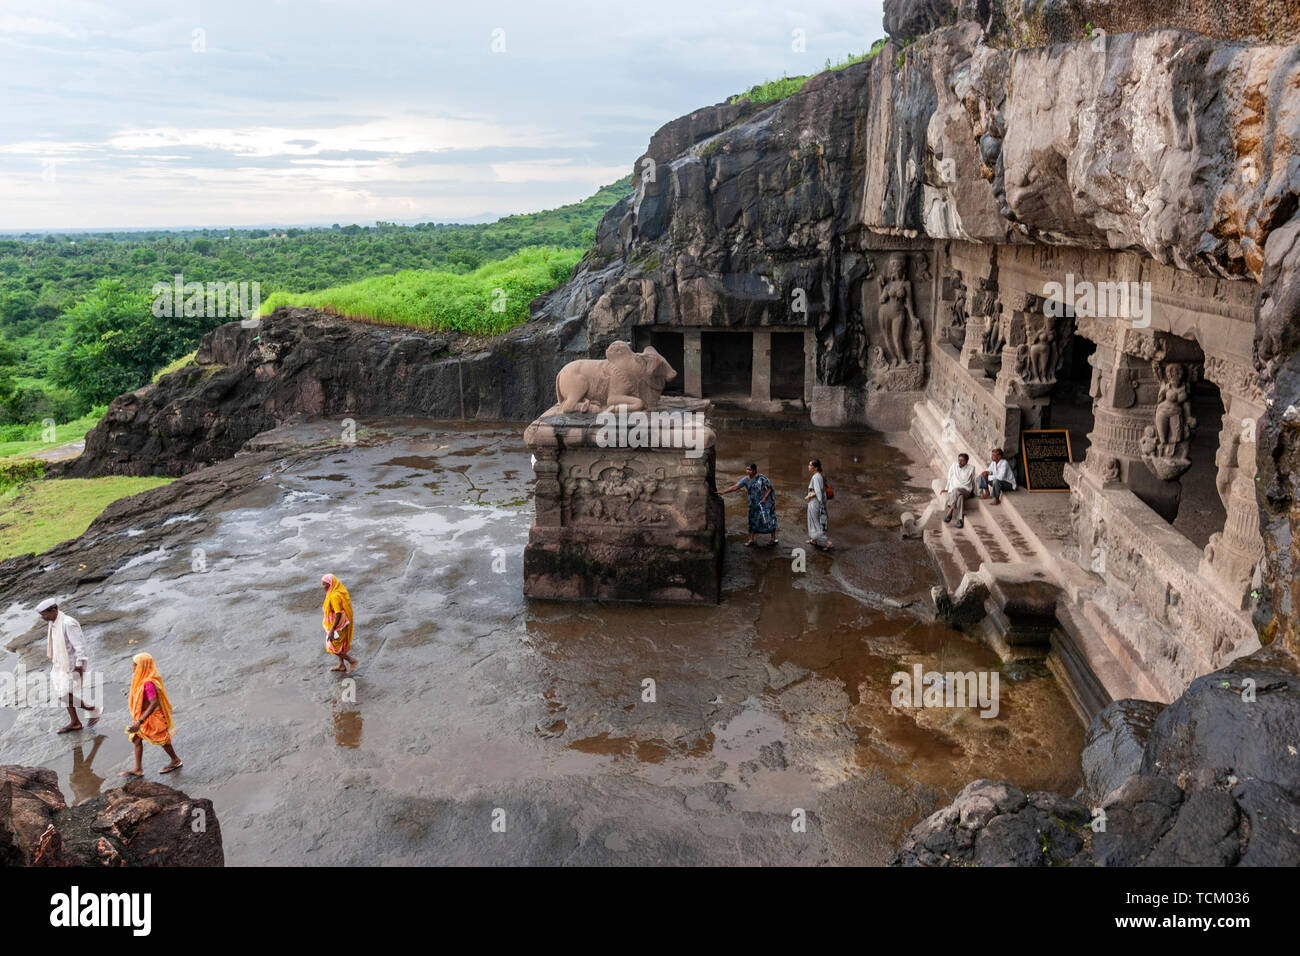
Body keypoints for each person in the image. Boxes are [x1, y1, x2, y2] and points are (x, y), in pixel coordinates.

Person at [37, 598, 101, 734]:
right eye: (41, 615)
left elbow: (80, 646)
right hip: (59, 664)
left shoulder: (68, 623)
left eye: (44, 614)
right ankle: (75, 722)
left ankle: (93, 709)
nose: (43, 618)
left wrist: (79, 666)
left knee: (64, 695)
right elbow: (56, 644)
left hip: (71, 665)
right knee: (64, 693)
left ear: (53, 610)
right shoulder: (53, 622)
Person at [121, 652, 181, 776]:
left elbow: (153, 703)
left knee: (163, 741)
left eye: (134, 664)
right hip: (143, 717)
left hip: (151, 718)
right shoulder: (140, 680)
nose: (132, 667)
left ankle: (175, 760)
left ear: (141, 667)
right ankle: (138, 769)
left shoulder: (148, 683)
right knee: (137, 739)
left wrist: (140, 722)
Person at [721, 463, 778, 547]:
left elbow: (770, 488)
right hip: (753, 504)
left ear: (754, 471)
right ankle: (751, 539)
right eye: (747, 469)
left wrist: (765, 498)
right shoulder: (745, 480)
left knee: (768, 520)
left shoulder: (761, 478)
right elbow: (735, 487)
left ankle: (773, 539)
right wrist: (723, 492)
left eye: (749, 469)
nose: (747, 471)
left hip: (764, 504)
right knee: (752, 520)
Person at [322, 574, 358, 673]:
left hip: (337, 626)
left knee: (333, 647)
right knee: (340, 645)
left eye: (324, 584)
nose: (322, 586)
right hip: (341, 623)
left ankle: (352, 661)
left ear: (330, 584)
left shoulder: (334, 596)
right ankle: (341, 665)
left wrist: (332, 630)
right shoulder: (336, 591)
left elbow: (337, 613)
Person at [805, 459, 833, 551]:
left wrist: (809, 496)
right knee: (813, 521)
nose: (808, 466)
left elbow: (818, 492)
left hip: (814, 503)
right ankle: (814, 540)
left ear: (815, 467)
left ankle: (827, 543)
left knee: (815, 523)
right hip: (815, 503)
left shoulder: (816, 477)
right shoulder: (818, 476)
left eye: (810, 465)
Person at [942, 453, 976, 529]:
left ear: (967, 461)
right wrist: (946, 488)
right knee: (960, 497)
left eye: (962, 460)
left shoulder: (971, 468)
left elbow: (973, 481)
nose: (960, 462)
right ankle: (960, 519)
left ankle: (950, 511)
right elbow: (949, 476)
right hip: (955, 490)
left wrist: (974, 491)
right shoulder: (954, 465)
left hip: (966, 490)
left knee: (957, 490)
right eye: (959, 460)